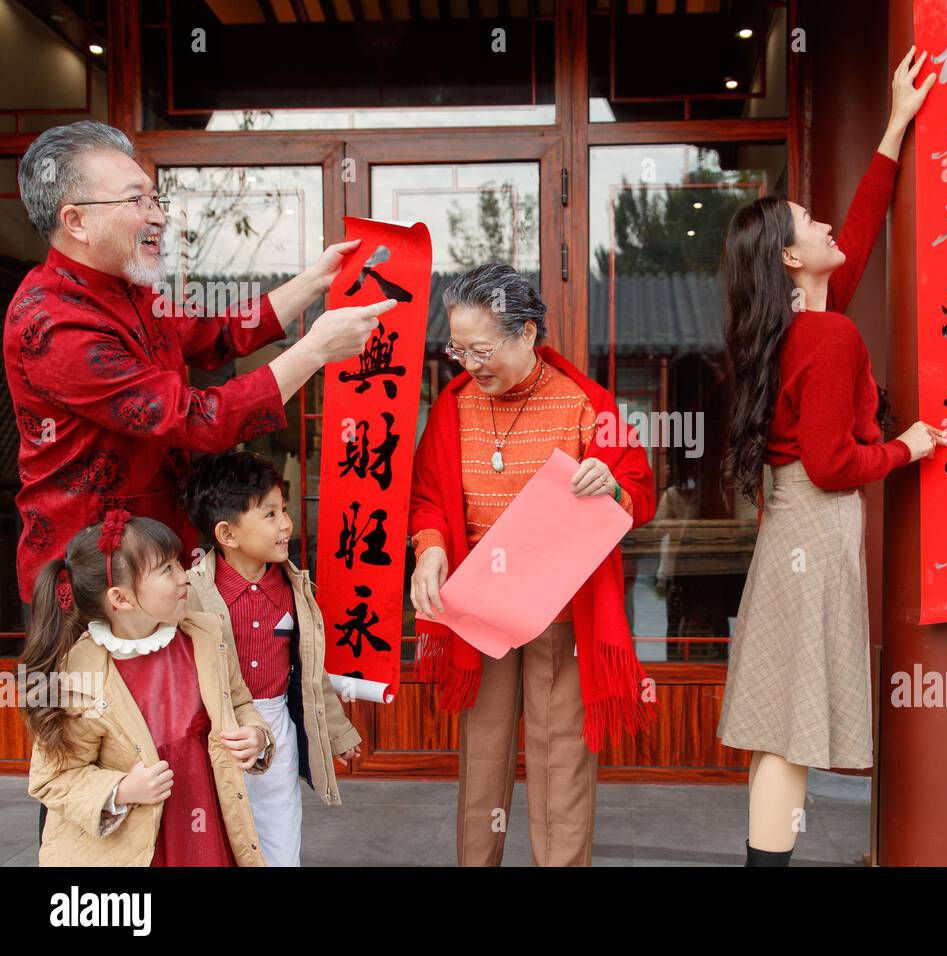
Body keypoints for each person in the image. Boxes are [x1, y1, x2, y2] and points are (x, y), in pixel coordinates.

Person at [6, 120, 395, 613]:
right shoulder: (52, 323)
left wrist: (315, 282)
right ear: (76, 221)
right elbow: (195, 420)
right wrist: (314, 350)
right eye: (137, 202)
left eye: (154, 200)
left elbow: (217, 334)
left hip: (162, 553)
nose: (158, 218)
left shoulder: (132, 289)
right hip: (95, 575)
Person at [716, 47, 947, 866]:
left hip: (791, 538)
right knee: (788, 733)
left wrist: (893, 127)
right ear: (789, 259)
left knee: (781, 728)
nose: (825, 228)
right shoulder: (828, 333)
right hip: (814, 531)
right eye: (808, 225)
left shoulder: (801, 330)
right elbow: (830, 464)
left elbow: (856, 232)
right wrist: (907, 447)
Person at [407, 262, 655, 866]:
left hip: (560, 612)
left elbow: (639, 492)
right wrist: (431, 548)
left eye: (482, 348)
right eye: (457, 348)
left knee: (562, 758)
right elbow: (429, 498)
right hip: (481, 607)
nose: (468, 362)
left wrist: (613, 487)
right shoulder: (452, 406)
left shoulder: (585, 405)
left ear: (528, 334)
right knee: (484, 754)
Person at [22, 511, 274, 866]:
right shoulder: (78, 672)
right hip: (135, 846)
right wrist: (121, 790)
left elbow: (239, 703)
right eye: (167, 569)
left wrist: (255, 735)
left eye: (179, 563)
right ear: (121, 599)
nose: (185, 576)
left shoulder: (203, 635)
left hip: (205, 818)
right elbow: (53, 779)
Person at [182, 450, 363, 867]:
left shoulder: (295, 588)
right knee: (219, 837)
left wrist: (338, 732)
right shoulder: (193, 595)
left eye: (284, 510)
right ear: (226, 533)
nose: (286, 524)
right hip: (217, 732)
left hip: (277, 729)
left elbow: (311, 675)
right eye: (269, 514)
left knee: (279, 833)